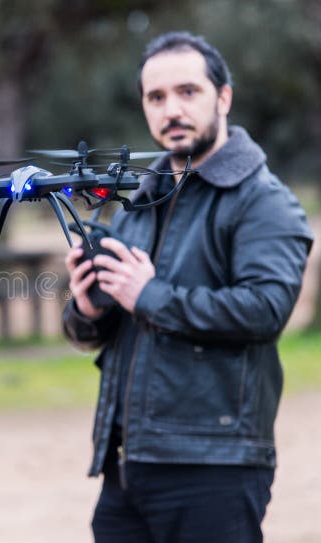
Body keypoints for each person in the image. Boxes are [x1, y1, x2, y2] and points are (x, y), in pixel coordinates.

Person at [62, 31, 314, 542]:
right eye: (156, 97)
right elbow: (118, 322)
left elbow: (266, 309)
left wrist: (149, 295)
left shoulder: (264, 201)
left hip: (215, 468)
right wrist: (88, 311)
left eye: (187, 92)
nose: (171, 109)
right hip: (127, 466)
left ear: (223, 98)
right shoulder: (138, 202)